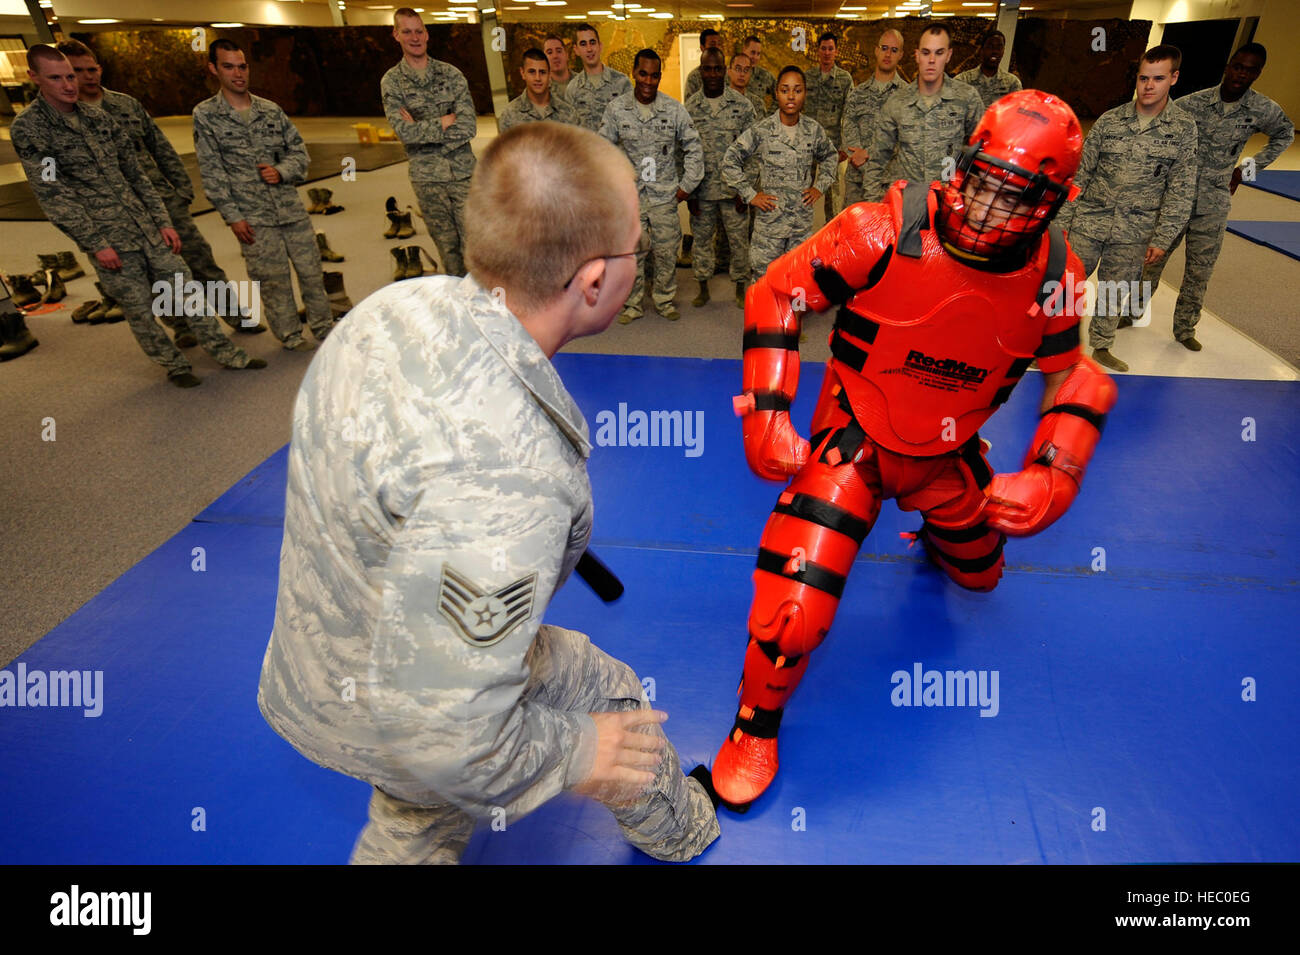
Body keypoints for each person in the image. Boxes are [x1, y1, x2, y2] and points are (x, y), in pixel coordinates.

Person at [257, 121, 720, 865]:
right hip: (406, 701)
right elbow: (449, 738)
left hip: (327, 653)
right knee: (609, 705)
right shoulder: (514, 478)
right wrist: (579, 751)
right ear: (595, 278)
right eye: (638, 243)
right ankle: (682, 829)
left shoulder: (391, 310)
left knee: (415, 818)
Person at [711, 90, 1117, 808]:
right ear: (967, 165)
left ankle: (935, 536)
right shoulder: (880, 230)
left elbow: (1075, 374)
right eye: (984, 182)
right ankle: (754, 726)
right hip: (853, 444)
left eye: (1015, 198)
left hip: (949, 454)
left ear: (1054, 202)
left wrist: (1055, 472)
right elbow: (778, 295)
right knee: (793, 611)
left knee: (981, 577)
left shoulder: (1057, 274)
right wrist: (767, 411)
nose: (990, 209)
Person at [11, 45, 261, 387]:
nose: (69, 84)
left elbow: (136, 175)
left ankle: (227, 352)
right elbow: (53, 194)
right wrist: (95, 244)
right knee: (140, 307)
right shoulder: (31, 128)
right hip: (107, 236)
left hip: (147, 225)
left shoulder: (100, 118)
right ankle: (175, 365)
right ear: (34, 78)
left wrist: (162, 221)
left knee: (187, 287)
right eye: (57, 78)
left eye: (71, 75)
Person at [57, 39, 267, 342]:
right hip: (118, 214)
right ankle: (182, 326)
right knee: (156, 274)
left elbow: (160, 148)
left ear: (100, 69)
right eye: (78, 71)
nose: (88, 76)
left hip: (164, 201)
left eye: (92, 69)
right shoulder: (64, 120)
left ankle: (235, 315)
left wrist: (181, 191)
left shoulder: (125, 105)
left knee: (200, 260)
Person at [1141, 43, 1293, 352]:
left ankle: (1184, 329)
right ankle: (1130, 313)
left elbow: (1284, 134)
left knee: (1199, 270)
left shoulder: (1262, 109)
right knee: (1150, 262)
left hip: (1214, 202)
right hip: (1176, 201)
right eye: (1238, 66)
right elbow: (1160, 131)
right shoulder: (1192, 104)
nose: (1241, 74)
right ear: (1228, 66)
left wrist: (1245, 171)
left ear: (1257, 73)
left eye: (1249, 69)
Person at [1057, 45, 1198, 372]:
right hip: (1089, 222)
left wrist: (1163, 237)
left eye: (1158, 78)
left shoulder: (1182, 128)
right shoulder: (1110, 121)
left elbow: (1180, 187)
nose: (1148, 86)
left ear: (1174, 78)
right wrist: (1063, 221)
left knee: (1115, 289)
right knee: (1065, 286)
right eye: (1143, 78)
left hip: (1135, 230)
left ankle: (1102, 345)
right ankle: (1053, 347)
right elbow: (1081, 174)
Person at [194, 39, 335, 351]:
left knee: (312, 273)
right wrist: (233, 217)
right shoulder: (206, 116)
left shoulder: (270, 110)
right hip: (252, 218)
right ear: (214, 69)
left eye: (242, 66)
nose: (238, 73)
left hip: (289, 209)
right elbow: (212, 171)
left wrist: (282, 171)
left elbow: (299, 154)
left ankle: (324, 327)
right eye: (229, 66)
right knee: (273, 281)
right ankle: (290, 336)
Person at [599, 49, 704, 323]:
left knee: (667, 251)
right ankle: (632, 305)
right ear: (634, 72)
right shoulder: (617, 109)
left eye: (654, 75)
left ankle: (664, 299)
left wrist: (686, 185)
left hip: (664, 195)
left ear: (659, 76)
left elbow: (694, 146)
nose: (648, 81)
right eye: (643, 73)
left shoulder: (673, 109)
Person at [381, 7, 477, 276]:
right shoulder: (392, 82)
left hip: (463, 176)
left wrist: (422, 129)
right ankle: (460, 308)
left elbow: (468, 127)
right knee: (448, 250)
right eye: (407, 31)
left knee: (476, 247)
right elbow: (404, 133)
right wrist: (444, 121)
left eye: (419, 31)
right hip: (428, 181)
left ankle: (484, 308)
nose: (415, 37)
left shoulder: (451, 75)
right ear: (396, 35)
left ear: (427, 34)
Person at [722, 66, 836, 284]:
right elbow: (730, 160)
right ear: (776, 93)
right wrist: (750, 194)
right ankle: (765, 318)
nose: (791, 96)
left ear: (805, 93)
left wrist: (819, 186)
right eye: (785, 90)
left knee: (799, 277)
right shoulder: (762, 130)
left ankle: (792, 317)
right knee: (763, 279)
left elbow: (830, 156)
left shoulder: (813, 130)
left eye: (797, 90)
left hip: (800, 224)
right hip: (770, 224)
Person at [862, 21, 983, 203]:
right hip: (906, 203)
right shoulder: (897, 103)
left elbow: (983, 149)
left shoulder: (966, 99)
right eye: (926, 53)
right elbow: (878, 158)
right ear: (917, 55)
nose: (932, 60)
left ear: (948, 55)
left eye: (939, 53)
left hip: (948, 204)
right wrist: (873, 208)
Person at [686, 48, 757, 309]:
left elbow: (753, 151)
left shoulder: (742, 106)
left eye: (717, 69)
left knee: (739, 243)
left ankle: (740, 286)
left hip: (733, 191)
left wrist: (746, 190)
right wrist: (689, 191)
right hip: (702, 191)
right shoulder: (691, 107)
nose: (713, 74)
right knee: (701, 242)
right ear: (701, 71)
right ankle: (703, 286)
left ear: (725, 70)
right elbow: (684, 152)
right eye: (708, 68)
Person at [842, 29, 907, 206]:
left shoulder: (908, 96)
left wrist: (868, 153)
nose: (888, 54)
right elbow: (848, 133)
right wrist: (863, 163)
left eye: (894, 50)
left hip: (890, 184)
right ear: (876, 50)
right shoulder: (857, 93)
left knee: (889, 233)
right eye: (884, 48)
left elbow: (906, 139)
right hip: (857, 183)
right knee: (853, 232)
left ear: (901, 54)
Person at [805, 32, 854, 221]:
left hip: (832, 147)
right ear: (818, 51)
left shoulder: (844, 79)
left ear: (836, 51)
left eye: (830, 49)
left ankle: (833, 233)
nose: (826, 53)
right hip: (807, 145)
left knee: (832, 196)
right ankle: (801, 237)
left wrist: (844, 146)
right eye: (823, 48)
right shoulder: (808, 77)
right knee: (803, 191)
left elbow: (849, 114)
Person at [566, 23, 632, 132]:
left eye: (592, 43)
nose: (589, 49)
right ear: (576, 50)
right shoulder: (573, 89)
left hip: (613, 148)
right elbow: (570, 132)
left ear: (600, 46)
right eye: (583, 44)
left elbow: (631, 124)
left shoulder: (621, 82)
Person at [498, 48, 580, 132]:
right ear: (522, 73)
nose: (537, 78)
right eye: (532, 72)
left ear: (549, 74)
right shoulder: (510, 115)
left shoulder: (568, 114)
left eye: (542, 72)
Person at [955, 31, 1022, 109]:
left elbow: (1016, 114)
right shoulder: (963, 81)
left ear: (1003, 51)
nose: (995, 51)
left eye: (999, 47)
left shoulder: (1012, 83)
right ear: (981, 50)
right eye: (990, 46)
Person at [683, 28, 725, 100]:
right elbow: (689, 105)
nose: (717, 47)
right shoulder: (694, 77)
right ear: (702, 48)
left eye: (719, 44)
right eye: (713, 44)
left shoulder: (729, 73)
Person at [741, 36, 775, 111]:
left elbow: (782, 96)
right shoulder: (728, 74)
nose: (755, 57)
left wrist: (770, 116)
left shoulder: (765, 75)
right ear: (744, 50)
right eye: (752, 53)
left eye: (758, 54)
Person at [728, 52, 767, 118]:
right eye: (738, 69)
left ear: (750, 74)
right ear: (729, 71)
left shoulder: (757, 104)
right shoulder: (717, 99)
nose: (742, 74)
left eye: (746, 70)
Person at [543, 34, 574, 99]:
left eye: (559, 51)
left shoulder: (584, 83)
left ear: (566, 55)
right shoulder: (539, 89)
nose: (555, 56)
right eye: (549, 52)